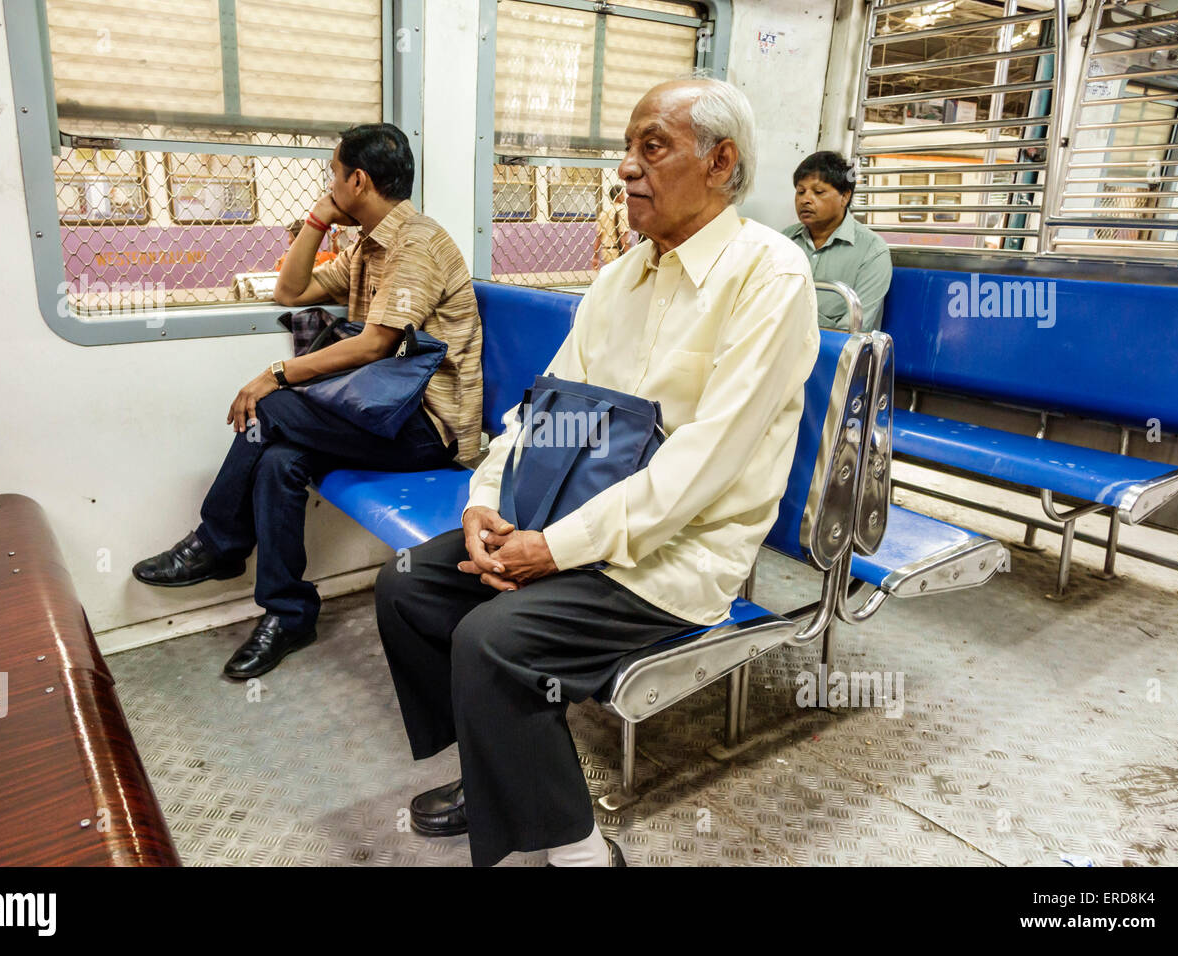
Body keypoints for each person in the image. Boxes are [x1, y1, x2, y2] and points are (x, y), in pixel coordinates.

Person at [375, 78, 819, 866]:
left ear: (720, 163)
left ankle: (582, 852)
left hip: (677, 552)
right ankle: (496, 771)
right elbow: (543, 409)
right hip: (578, 516)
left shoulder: (770, 278)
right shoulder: (621, 278)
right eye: (627, 148)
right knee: (409, 584)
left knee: (491, 640)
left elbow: (702, 465)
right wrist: (485, 502)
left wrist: (553, 547)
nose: (626, 169)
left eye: (653, 147)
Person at [133, 123, 482, 681]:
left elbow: (376, 343)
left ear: (358, 180)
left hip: (426, 428)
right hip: (378, 415)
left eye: (333, 175)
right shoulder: (370, 247)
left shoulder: (418, 243)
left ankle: (220, 544)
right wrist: (319, 219)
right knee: (278, 460)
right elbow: (289, 292)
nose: (330, 183)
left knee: (268, 409)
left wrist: (274, 374)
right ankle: (289, 613)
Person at [782, 150, 892, 332]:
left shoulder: (872, 251)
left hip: (833, 353)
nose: (805, 200)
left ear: (845, 197)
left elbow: (853, 328)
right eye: (800, 192)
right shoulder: (785, 240)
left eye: (818, 192)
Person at [591, 183, 632, 269]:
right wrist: (628, 255)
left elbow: (599, 236)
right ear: (619, 196)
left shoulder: (604, 212)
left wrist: (595, 256)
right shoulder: (623, 210)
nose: (624, 196)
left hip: (606, 252)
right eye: (623, 193)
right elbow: (623, 236)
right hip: (617, 252)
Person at [273, 219, 338, 272]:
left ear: (292, 241)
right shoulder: (323, 257)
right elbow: (336, 258)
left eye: (289, 236)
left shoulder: (284, 261)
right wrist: (334, 240)